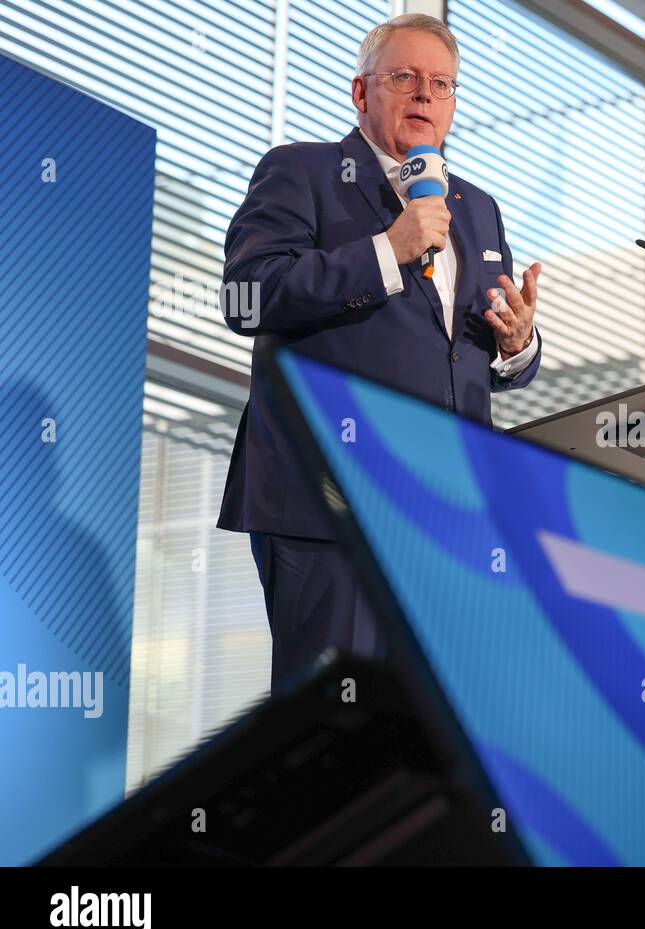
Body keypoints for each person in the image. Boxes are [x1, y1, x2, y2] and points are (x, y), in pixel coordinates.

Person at [216, 13, 542, 691]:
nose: (424, 94)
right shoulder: (301, 172)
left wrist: (517, 344)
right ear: (362, 93)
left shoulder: (477, 209)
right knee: (332, 736)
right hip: (331, 497)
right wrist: (387, 250)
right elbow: (249, 295)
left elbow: (468, 355)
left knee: (431, 735)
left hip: (448, 513)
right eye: (404, 77)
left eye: (441, 83)